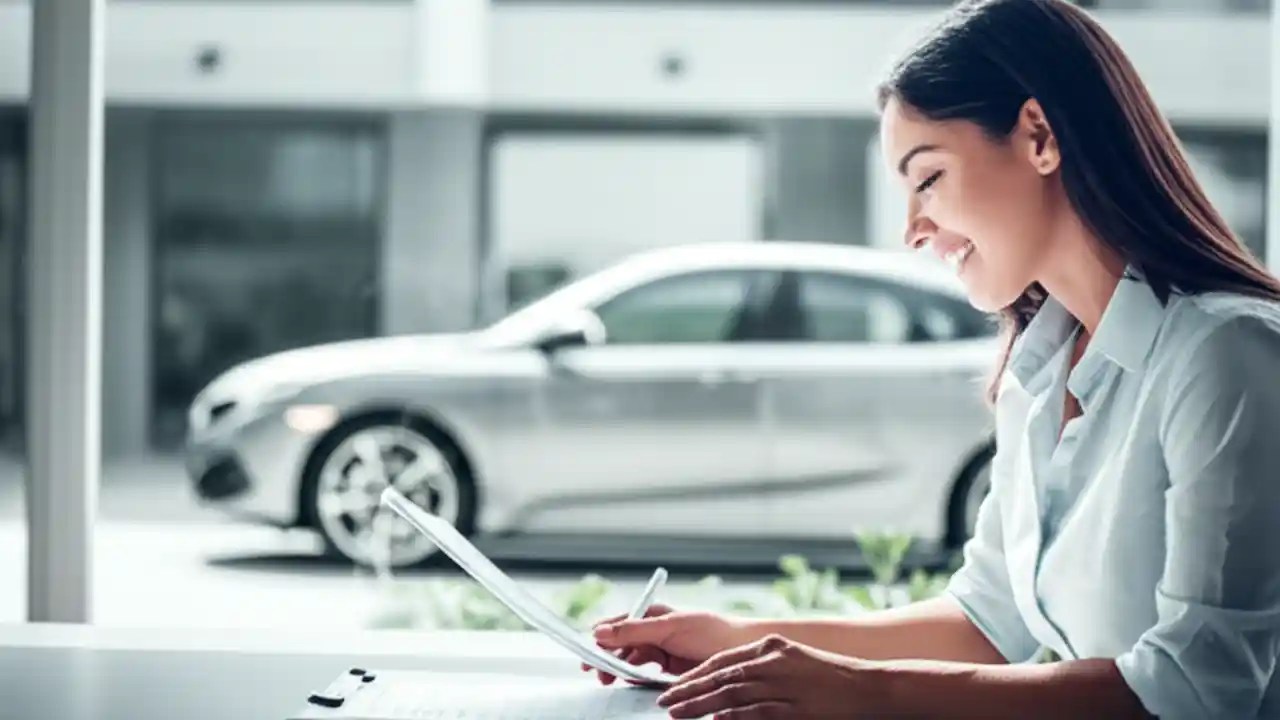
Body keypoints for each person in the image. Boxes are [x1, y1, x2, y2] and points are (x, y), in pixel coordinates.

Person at [582, 1, 1280, 717]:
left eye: (928, 178)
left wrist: (859, 693)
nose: (913, 230)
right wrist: (740, 641)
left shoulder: (1227, 355)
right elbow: (984, 621)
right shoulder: (1038, 373)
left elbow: (1199, 688)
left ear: (1039, 136)